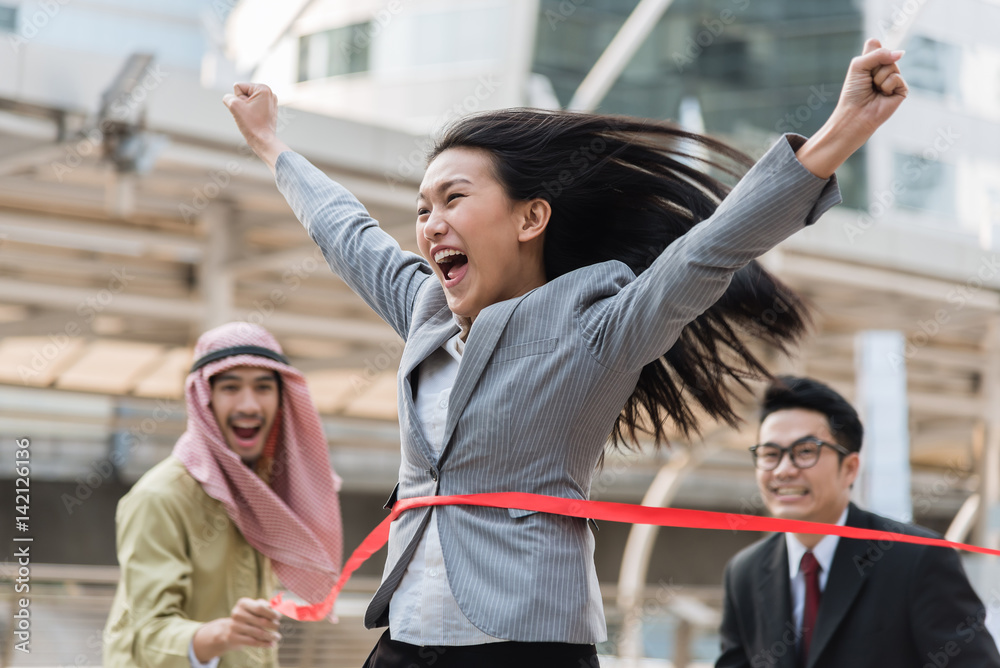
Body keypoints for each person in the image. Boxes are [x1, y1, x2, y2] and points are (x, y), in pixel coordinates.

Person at [224, 38, 906, 668]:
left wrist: (842, 130)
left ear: (530, 218)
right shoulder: (425, 309)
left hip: (526, 644)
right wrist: (270, 142)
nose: (431, 224)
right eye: (423, 206)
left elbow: (711, 249)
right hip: (406, 637)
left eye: (454, 198)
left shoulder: (596, 332)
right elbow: (347, 232)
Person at [103, 323, 344, 668]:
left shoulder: (262, 494)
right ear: (205, 400)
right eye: (230, 387)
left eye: (263, 387)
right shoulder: (159, 497)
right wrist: (223, 636)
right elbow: (146, 639)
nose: (249, 405)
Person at [716, 375, 1000, 668]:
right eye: (770, 454)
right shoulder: (744, 573)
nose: (784, 470)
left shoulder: (917, 559)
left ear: (850, 468)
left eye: (804, 452)